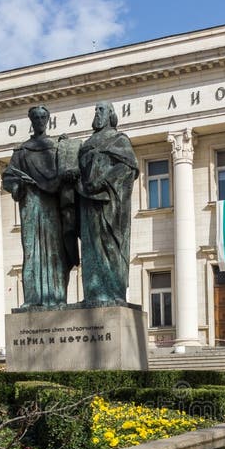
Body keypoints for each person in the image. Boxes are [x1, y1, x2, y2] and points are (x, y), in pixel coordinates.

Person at [2, 106, 78, 308]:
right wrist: (18, 185)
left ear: (48, 119)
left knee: (56, 252)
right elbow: (9, 177)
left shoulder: (57, 147)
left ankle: (57, 297)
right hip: (32, 207)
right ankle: (33, 299)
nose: (40, 121)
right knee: (32, 251)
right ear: (31, 120)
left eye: (43, 117)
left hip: (54, 207)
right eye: (36, 117)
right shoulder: (22, 151)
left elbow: (69, 171)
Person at [77, 102, 139, 304]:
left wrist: (103, 181)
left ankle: (113, 292)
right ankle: (94, 294)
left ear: (111, 114)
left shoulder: (119, 140)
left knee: (110, 244)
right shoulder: (86, 143)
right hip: (88, 202)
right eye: (95, 110)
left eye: (101, 110)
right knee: (90, 248)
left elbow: (128, 168)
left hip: (109, 203)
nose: (97, 113)